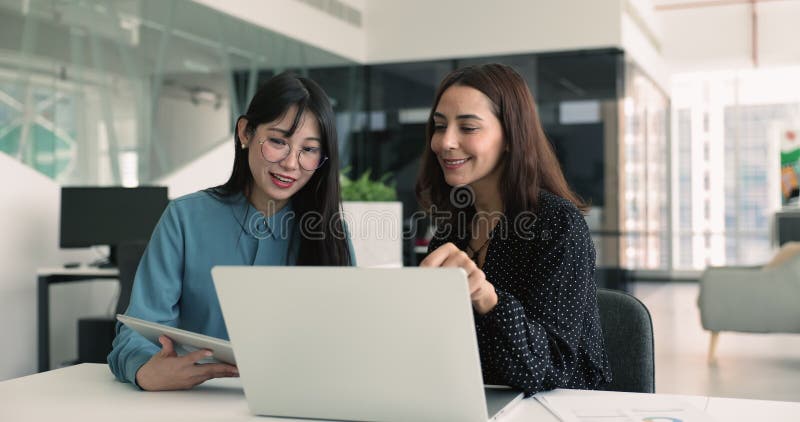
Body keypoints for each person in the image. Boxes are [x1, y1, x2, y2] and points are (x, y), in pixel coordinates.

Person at [108, 72, 354, 391]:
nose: (291, 164)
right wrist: (144, 371)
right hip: (196, 399)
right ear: (245, 133)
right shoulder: (185, 219)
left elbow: (350, 341)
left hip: (299, 398)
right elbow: (136, 332)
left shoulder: (332, 233)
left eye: (308, 150)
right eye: (278, 142)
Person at [416, 63, 612, 396]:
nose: (445, 142)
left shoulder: (558, 224)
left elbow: (552, 367)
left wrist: (486, 297)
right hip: (477, 402)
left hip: (558, 407)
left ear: (510, 137)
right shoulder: (451, 233)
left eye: (468, 127)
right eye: (439, 126)